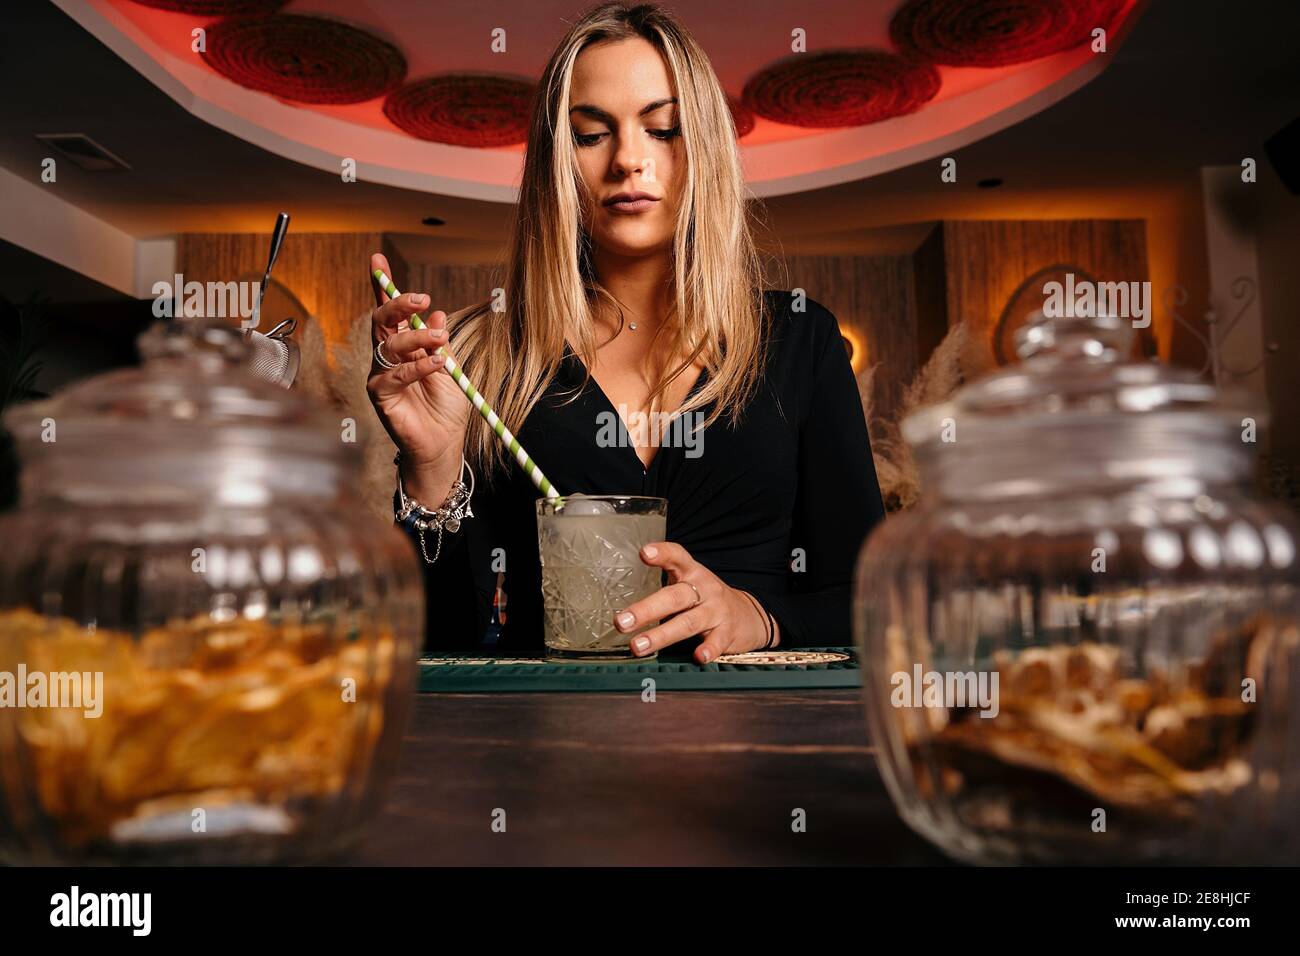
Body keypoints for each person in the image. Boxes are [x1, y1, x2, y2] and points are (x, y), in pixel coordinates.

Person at [366, 2, 884, 662]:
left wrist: (757, 617)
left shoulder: (798, 338)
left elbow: (872, 603)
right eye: (590, 135)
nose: (629, 160)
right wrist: (431, 472)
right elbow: (448, 650)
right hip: (545, 749)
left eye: (663, 129)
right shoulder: (484, 359)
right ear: (557, 161)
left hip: (757, 740)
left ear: (703, 148)